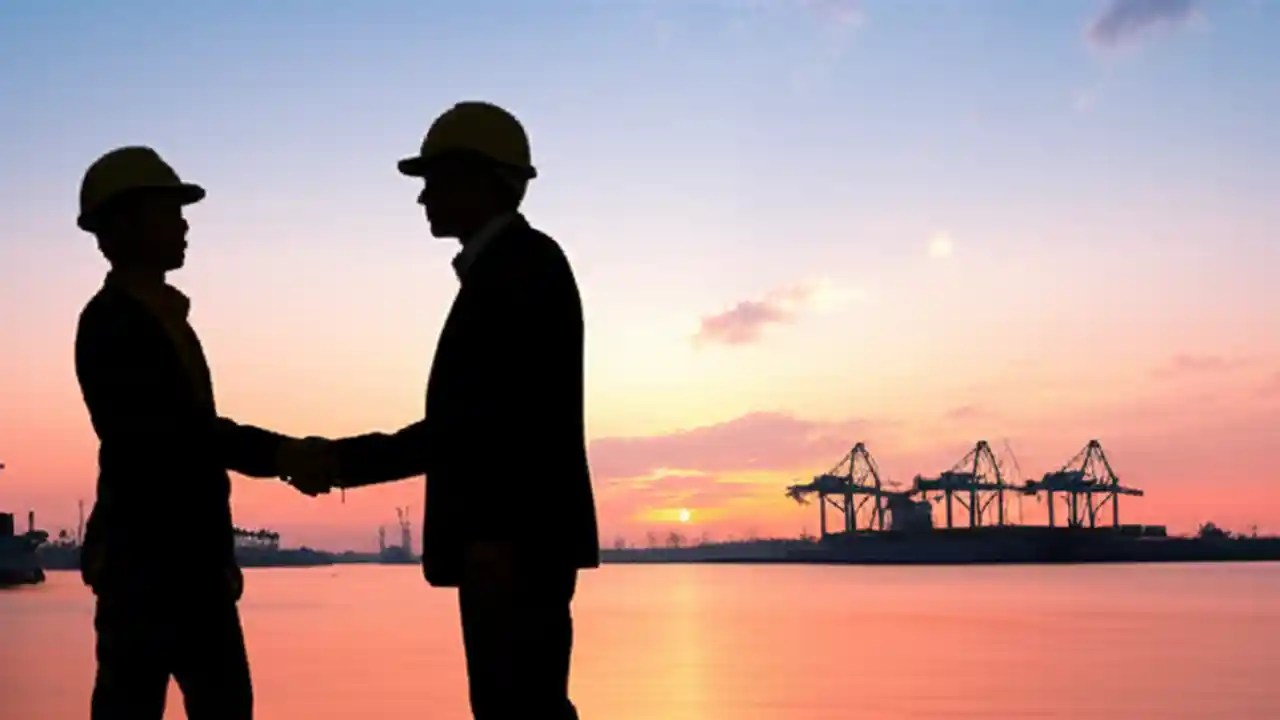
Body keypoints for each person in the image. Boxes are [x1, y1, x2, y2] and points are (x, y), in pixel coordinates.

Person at [319, 101, 599, 719]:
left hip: (511, 545)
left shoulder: (519, 271)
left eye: (436, 181)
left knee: (518, 708)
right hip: (514, 545)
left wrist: (338, 462)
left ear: (483, 181)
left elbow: (470, 428)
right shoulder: (513, 268)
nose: (423, 197)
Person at [73, 146, 332, 720]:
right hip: (152, 572)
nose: (184, 225)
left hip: (182, 569)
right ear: (125, 224)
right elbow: (181, 438)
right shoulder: (113, 326)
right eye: (169, 212)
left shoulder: (163, 318)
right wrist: (286, 455)